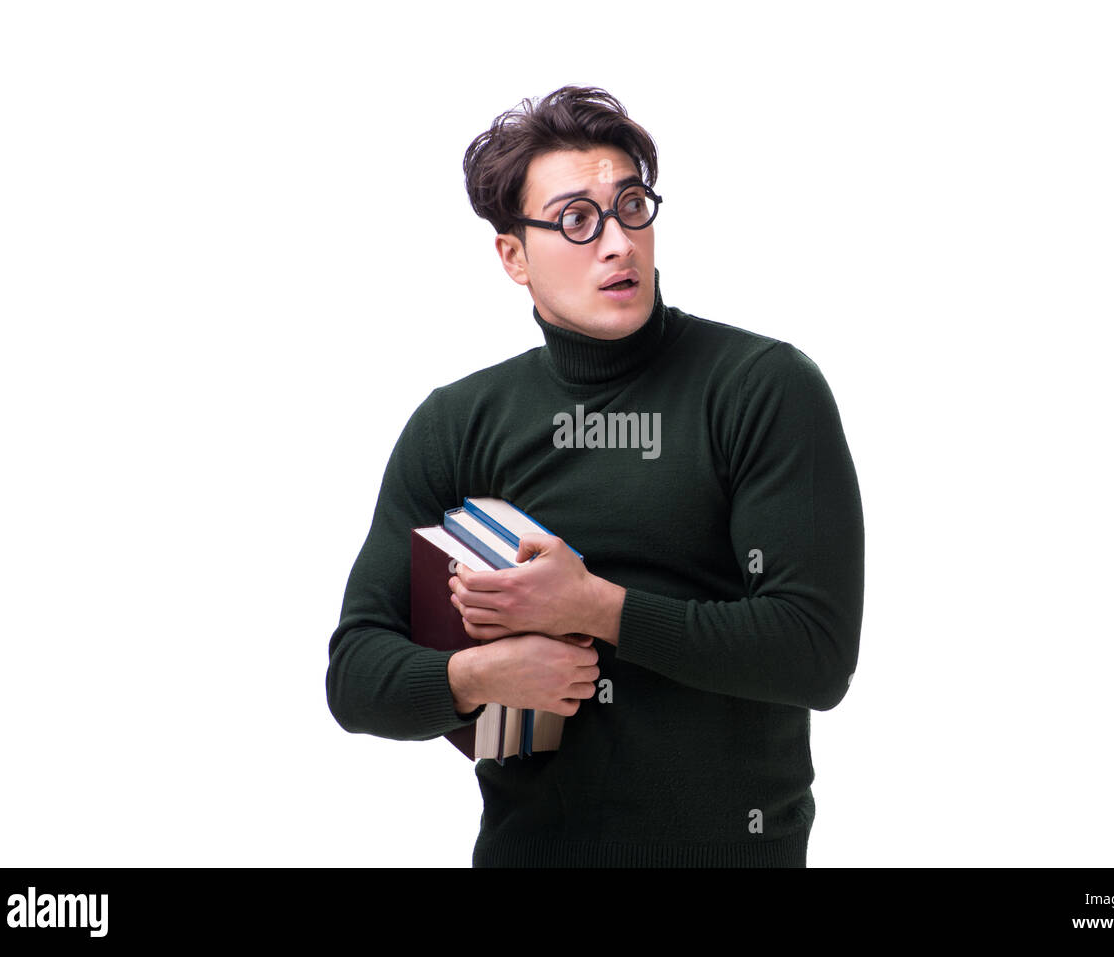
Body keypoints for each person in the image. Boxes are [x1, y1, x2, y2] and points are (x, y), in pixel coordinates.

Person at [326, 85, 865, 867]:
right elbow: (356, 674)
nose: (617, 243)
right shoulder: (456, 423)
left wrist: (595, 606)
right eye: (577, 219)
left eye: (632, 206)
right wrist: (476, 675)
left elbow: (814, 653)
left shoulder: (762, 386)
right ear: (514, 255)